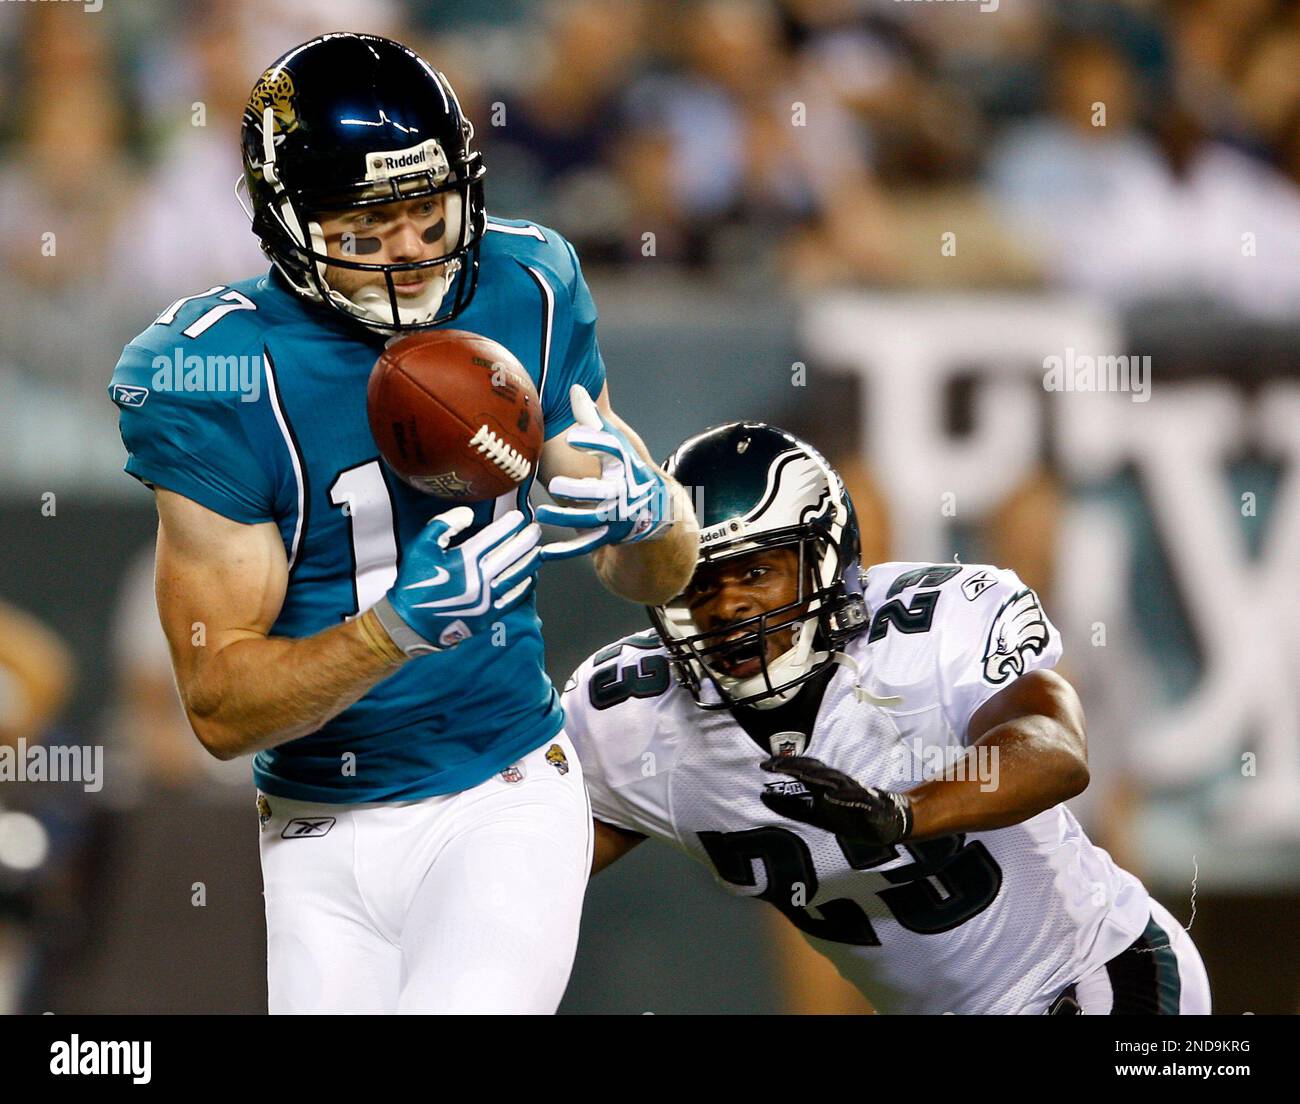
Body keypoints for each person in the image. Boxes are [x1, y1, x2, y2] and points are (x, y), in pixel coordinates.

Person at [106, 33, 697, 1014]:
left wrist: (652, 513)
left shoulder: (527, 282)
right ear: (282, 222)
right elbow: (217, 710)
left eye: (427, 213)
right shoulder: (208, 372)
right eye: (367, 227)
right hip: (313, 825)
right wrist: (394, 630)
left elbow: (655, 576)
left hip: (500, 791)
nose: (410, 252)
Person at [564, 422, 1210, 1014]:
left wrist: (905, 814)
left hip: (1089, 972)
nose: (728, 605)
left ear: (821, 560)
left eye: (755, 571)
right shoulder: (631, 717)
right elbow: (536, 858)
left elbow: (1054, 751)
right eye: (699, 585)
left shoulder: (931, 629)